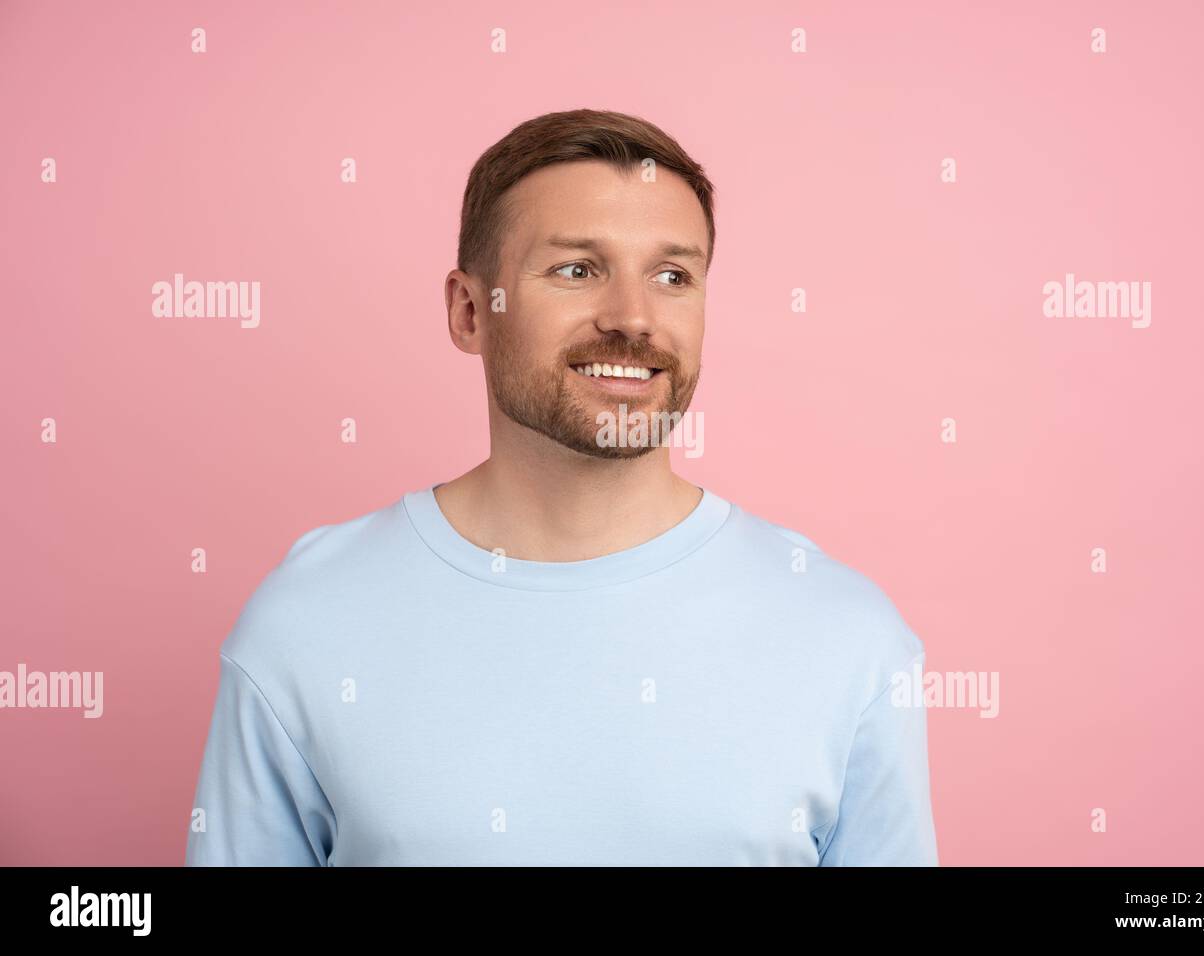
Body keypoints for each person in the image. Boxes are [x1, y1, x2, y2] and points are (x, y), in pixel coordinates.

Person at [184, 108, 939, 866]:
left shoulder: (847, 637)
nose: (633, 318)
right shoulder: (308, 621)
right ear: (469, 310)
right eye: (577, 269)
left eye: (672, 275)